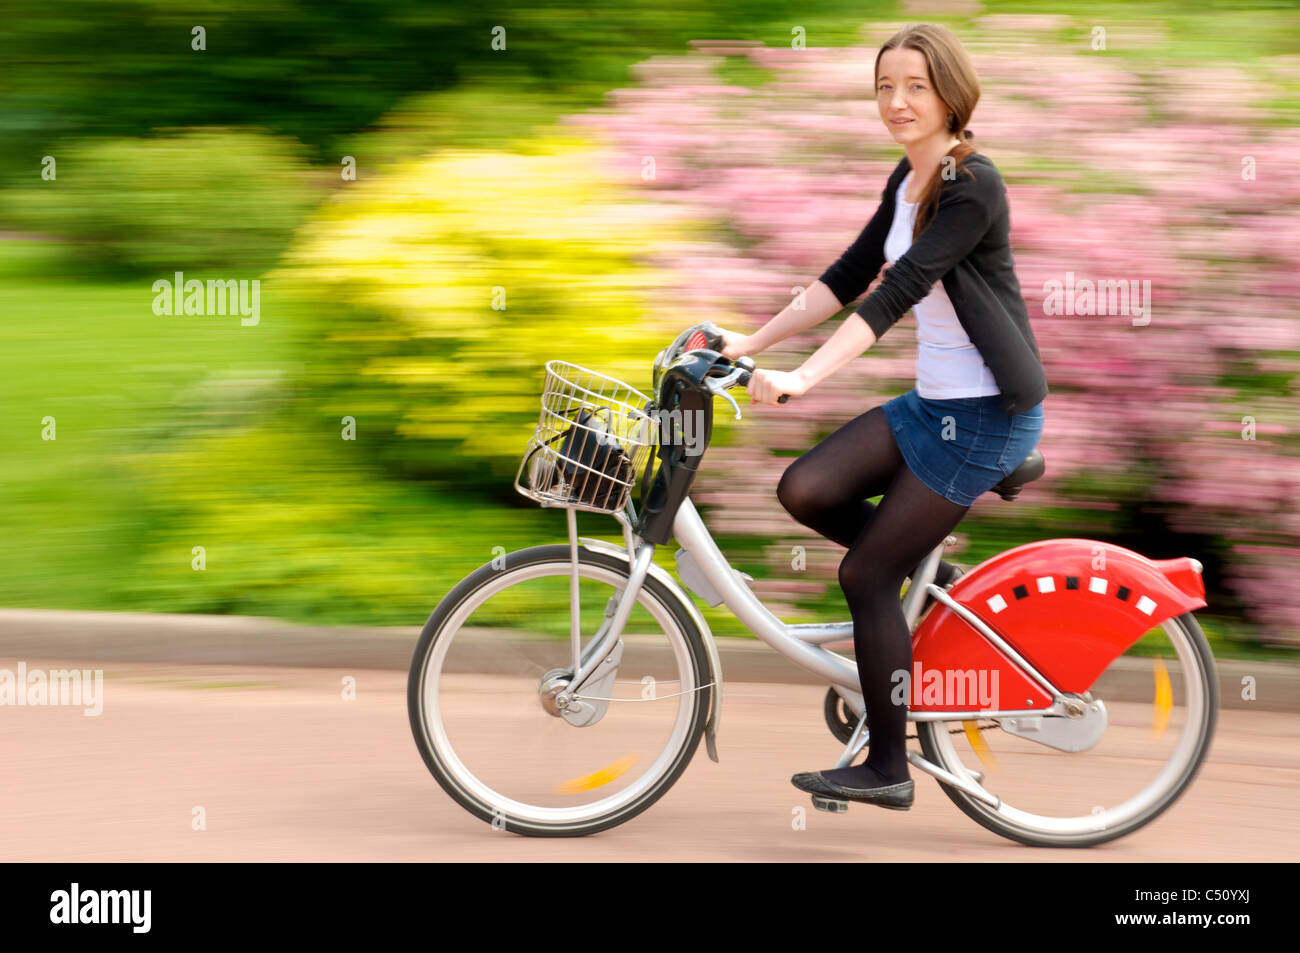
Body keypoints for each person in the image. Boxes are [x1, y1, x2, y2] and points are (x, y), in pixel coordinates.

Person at [716, 23, 1048, 811]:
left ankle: (888, 765)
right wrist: (748, 342)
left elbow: (895, 295)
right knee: (807, 488)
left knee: (865, 572)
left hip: (983, 419)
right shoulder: (908, 177)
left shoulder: (972, 184)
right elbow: (851, 274)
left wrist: (801, 376)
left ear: (950, 96)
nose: (896, 102)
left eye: (915, 87)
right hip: (934, 406)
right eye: (883, 87)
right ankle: (942, 598)